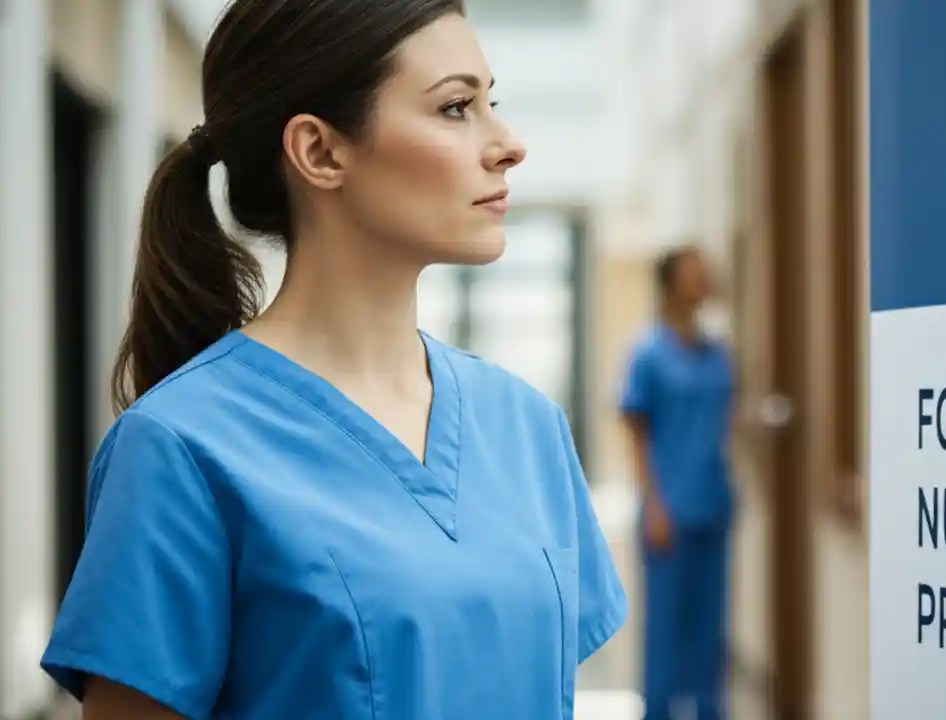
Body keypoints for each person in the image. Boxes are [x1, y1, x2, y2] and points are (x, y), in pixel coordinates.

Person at [39, 2, 626, 718]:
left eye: (490, 102)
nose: (507, 144)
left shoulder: (526, 425)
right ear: (319, 152)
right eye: (454, 108)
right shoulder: (181, 449)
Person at [621, 246, 736, 720]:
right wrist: (653, 505)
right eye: (693, 274)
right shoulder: (649, 353)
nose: (703, 280)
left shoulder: (717, 353)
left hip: (714, 505)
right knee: (665, 638)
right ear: (670, 284)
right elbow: (636, 431)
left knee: (709, 637)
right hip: (668, 512)